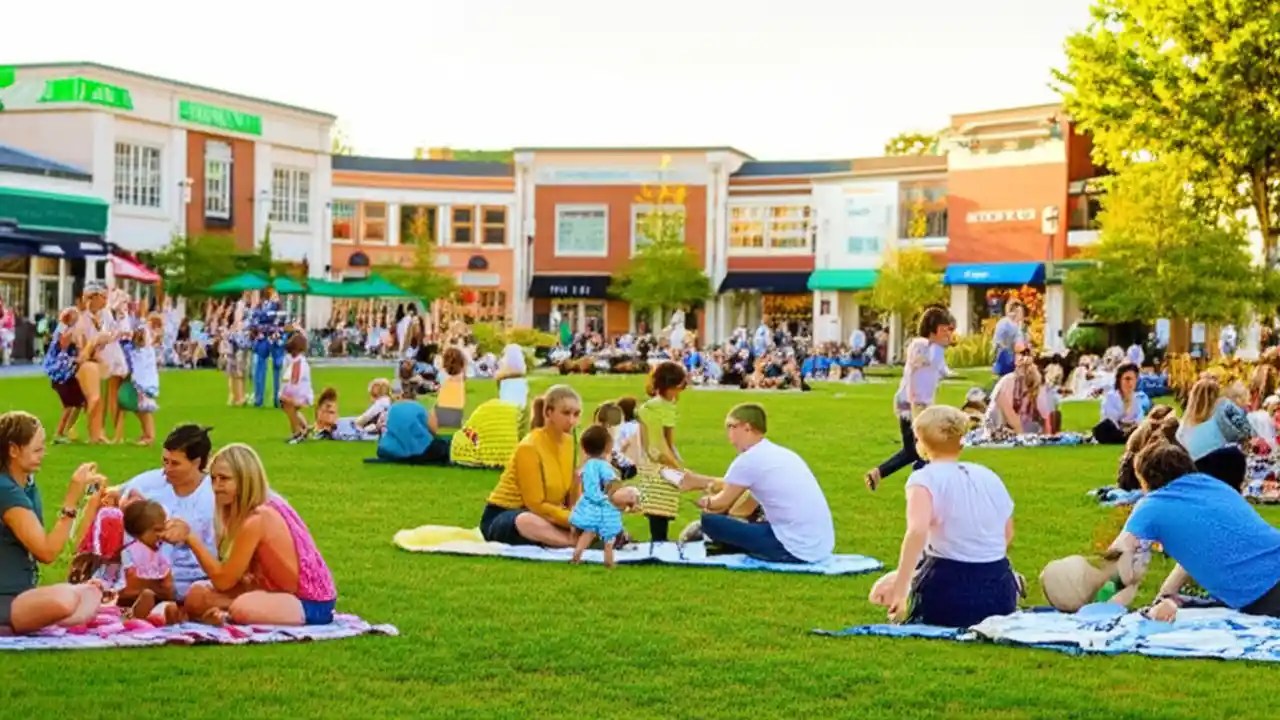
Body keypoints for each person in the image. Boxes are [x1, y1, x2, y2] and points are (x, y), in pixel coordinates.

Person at [869, 406, 1018, 627]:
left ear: (920, 441)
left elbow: (917, 533)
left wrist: (900, 593)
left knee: (881, 591)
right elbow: (1007, 534)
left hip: (949, 593)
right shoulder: (988, 475)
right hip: (1000, 593)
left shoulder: (924, 479)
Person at [1110, 441, 1280, 621]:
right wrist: (1165, 595)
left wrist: (1101, 604)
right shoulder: (1215, 486)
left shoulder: (1152, 505)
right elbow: (1198, 548)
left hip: (1261, 594)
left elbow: (1119, 554)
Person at [172, 444, 337, 626]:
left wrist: (190, 538)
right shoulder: (252, 510)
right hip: (270, 591)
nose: (216, 486)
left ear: (245, 480)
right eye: (213, 479)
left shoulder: (258, 518)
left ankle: (223, 615)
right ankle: (218, 614)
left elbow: (223, 581)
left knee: (243, 607)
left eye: (224, 479)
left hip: (309, 603)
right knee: (197, 594)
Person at [480, 386, 637, 547]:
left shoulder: (570, 444)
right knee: (526, 520)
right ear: (548, 413)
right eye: (566, 413)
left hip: (550, 514)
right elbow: (536, 505)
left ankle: (591, 537)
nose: (572, 420)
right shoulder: (529, 447)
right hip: (507, 515)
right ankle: (575, 542)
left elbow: (572, 495)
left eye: (576, 414)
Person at [0, 411, 110, 634]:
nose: (43, 454)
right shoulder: (5, 491)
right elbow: (47, 552)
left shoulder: (26, 484)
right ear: (13, 450)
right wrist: (71, 499)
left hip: (22, 591)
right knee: (63, 601)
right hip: (6, 595)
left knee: (90, 592)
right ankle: (15, 622)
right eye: (37, 449)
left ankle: (23, 622)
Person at [694, 404, 835, 564]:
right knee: (748, 525)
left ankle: (732, 544)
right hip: (820, 546)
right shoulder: (782, 454)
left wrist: (703, 500)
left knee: (709, 521)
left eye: (732, 427)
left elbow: (720, 503)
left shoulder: (748, 460)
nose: (729, 434)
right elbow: (745, 507)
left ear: (747, 428)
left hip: (794, 548)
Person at [114, 424, 217, 602]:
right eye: (165, 461)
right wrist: (120, 504)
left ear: (197, 462)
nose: (167, 469)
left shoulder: (214, 494)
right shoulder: (150, 483)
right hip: (143, 573)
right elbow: (110, 494)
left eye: (175, 463)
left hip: (194, 579)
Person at [865, 306, 955, 490]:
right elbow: (913, 375)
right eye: (946, 329)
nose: (949, 334)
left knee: (913, 451)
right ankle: (921, 486)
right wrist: (915, 406)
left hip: (923, 404)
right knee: (924, 449)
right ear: (935, 329)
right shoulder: (921, 345)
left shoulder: (937, 349)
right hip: (911, 404)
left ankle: (879, 474)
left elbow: (941, 371)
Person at [636, 361, 690, 542]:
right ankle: (660, 543)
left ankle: (659, 540)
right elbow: (664, 442)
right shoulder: (662, 407)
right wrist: (676, 465)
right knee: (660, 504)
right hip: (660, 461)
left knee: (657, 507)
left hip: (651, 460)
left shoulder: (651, 406)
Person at [570, 425, 624, 567]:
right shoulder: (603, 466)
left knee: (589, 531)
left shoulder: (587, 465)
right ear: (607, 446)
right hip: (602, 504)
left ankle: (577, 555)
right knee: (609, 534)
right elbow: (611, 482)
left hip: (587, 502)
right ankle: (609, 560)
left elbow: (580, 480)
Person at [377, 383, 452, 464]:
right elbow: (433, 430)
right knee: (443, 445)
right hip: (417, 450)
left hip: (389, 449)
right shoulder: (419, 408)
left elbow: (382, 427)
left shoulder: (392, 409)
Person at [1092, 362, 1151, 445]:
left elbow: (1139, 419)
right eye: (1127, 379)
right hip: (1113, 431)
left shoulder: (1138, 398)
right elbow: (1110, 419)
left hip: (1131, 432)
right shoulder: (1111, 397)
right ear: (1119, 380)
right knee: (1103, 427)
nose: (1130, 383)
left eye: (1133, 379)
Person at [251, 288, 287, 408]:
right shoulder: (262, 307)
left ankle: (276, 399)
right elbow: (255, 321)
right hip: (267, 340)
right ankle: (260, 399)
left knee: (276, 369)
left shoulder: (274, 307)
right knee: (262, 370)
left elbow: (282, 321)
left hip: (274, 340)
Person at [280, 333, 314, 442]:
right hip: (303, 393)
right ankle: (305, 426)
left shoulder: (298, 363)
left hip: (301, 395)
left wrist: (284, 395)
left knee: (288, 404)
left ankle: (297, 432)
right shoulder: (298, 361)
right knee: (287, 404)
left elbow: (294, 382)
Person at [992, 300, 1025, 377]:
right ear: (1015, 311)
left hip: (1014, 359)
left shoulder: (1019, 325)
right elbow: (998, 342)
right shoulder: (1005, 323)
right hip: (1006, 359)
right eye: (1021, 311)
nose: (1023, 314)